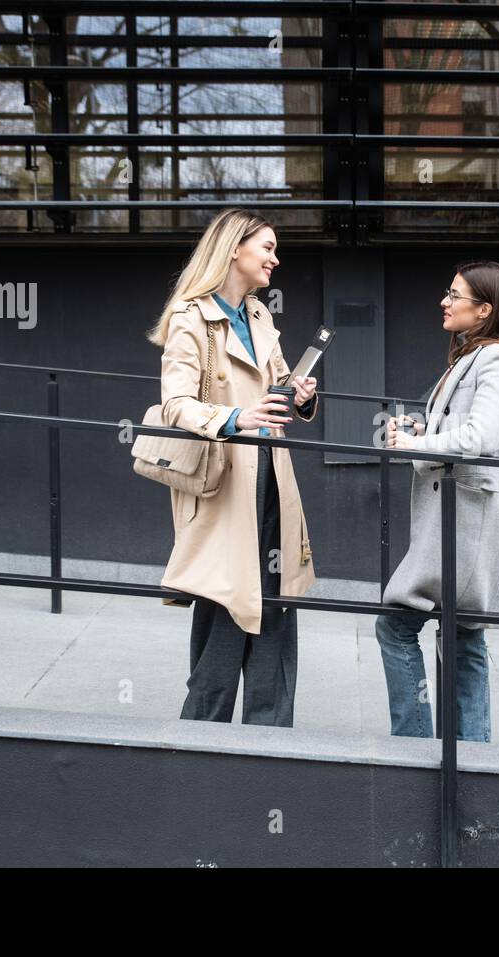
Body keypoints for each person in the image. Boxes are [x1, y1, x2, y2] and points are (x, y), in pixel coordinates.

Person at [148, 207, 318, 727]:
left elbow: (281, 383)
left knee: (276, 600)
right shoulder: (190, 317)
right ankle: (202, 738)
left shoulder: (260, 315)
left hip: (271, 477)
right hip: (224, 483)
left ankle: (271, 738)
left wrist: (301, 395)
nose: (276, 257)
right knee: (226, 605)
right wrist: (236, 416)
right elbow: (175, 405)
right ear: (234, 249)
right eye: (266, 247)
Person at [378, 261, 499, 742]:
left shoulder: (498, 360)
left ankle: (415, 747)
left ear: (484, 309)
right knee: (463, 636)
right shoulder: (472, 356)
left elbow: (482, 437)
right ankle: (472, 757)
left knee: (399, 625)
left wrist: (413, 446)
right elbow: (462, 430)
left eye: (455, 295)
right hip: (456, 516)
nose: (444, 302)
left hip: (466, 520)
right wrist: (421, 431)